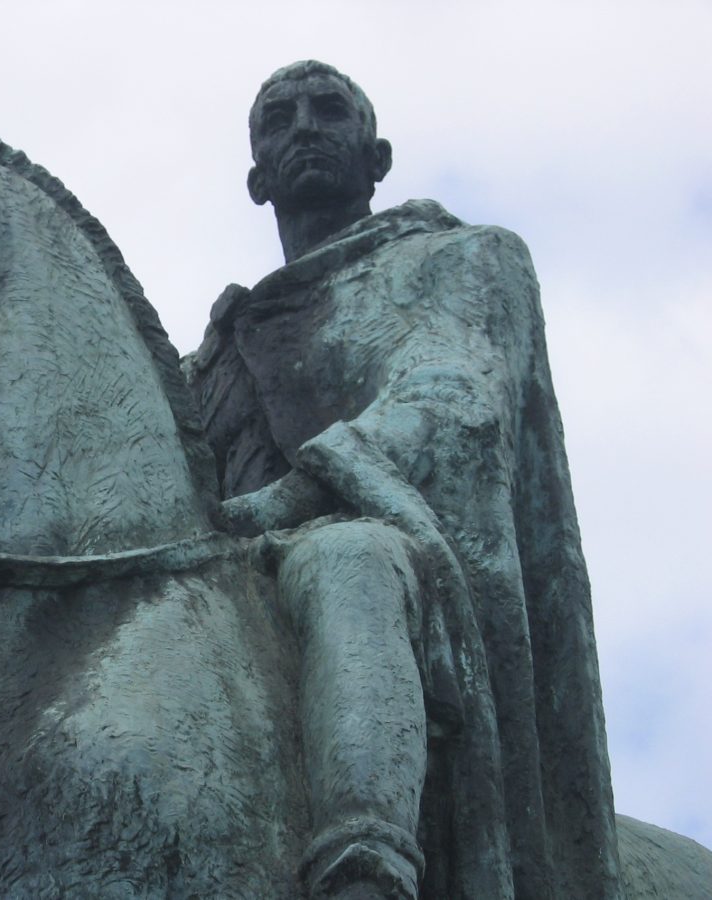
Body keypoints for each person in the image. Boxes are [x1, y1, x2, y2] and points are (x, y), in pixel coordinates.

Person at [186, 61, 622, 898]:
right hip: (232, 564)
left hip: (388, 552)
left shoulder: (467, 257)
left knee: (348, 559)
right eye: (279, 119)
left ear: (376, 156)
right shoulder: (212, 353)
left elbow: (453, 391)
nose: (304, 126)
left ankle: (369, 868)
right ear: (256, 178)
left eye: (328, 111)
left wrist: (296, 494)